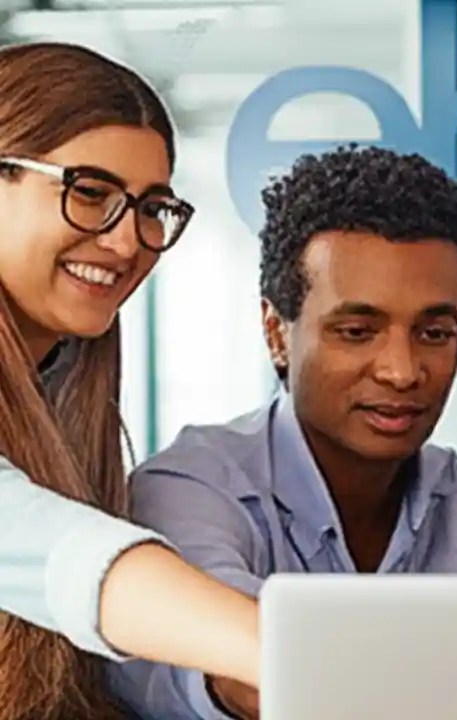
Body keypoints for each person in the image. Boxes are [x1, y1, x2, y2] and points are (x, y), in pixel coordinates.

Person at [110, 144, 457, 720]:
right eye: (357, 331)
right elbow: (232, 674)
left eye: (434, 333)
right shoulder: (193, 488)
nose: (402, 371)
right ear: (276, 332)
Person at [0, 42, 259, 720]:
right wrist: (287, 652)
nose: (125, 241)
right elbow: (54, 550)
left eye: (150, 208)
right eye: (90, 193)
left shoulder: (60, 393)